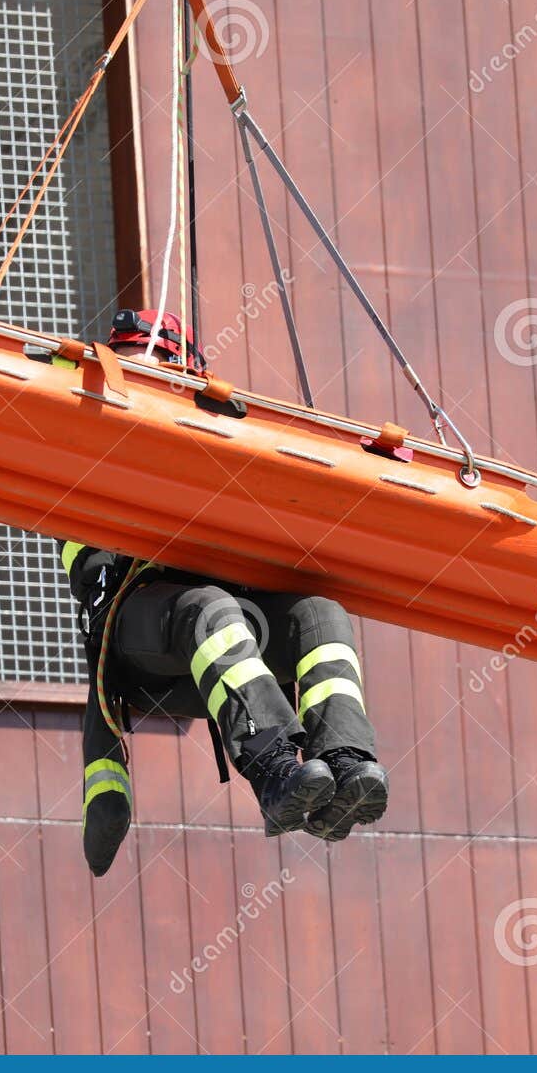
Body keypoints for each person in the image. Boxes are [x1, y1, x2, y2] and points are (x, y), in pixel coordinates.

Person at [62, 309, 388, 877]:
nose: (147, 380)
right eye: (136, 367)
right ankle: (274, 768)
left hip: (231, 639)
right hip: (146, 639)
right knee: (205, 607)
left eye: (161, 367)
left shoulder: (222, 443)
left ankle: (344, 766)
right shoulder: (88, 443)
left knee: (319, 614)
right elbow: (88, 562)